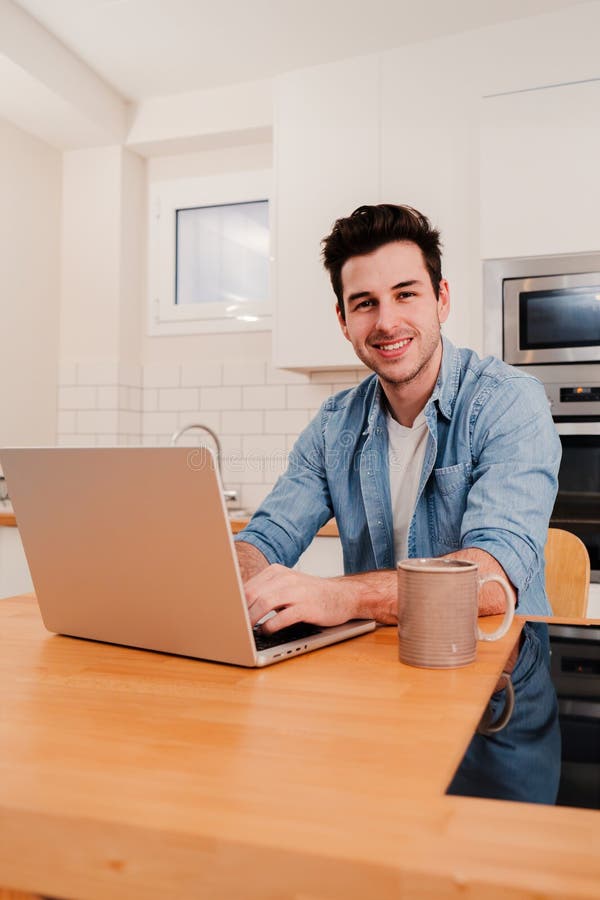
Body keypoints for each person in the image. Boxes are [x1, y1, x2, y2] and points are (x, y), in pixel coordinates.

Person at [235, 203, 561, 804]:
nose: (386, 321)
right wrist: (236, 577)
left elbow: (491, 581)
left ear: (441, 299)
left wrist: (340, 595)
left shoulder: (509, 402)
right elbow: (265, 537)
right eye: (365, 303)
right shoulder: (335, 424)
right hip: (376, 684)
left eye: (405, 294)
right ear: (343, 319)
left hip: (496, 695)